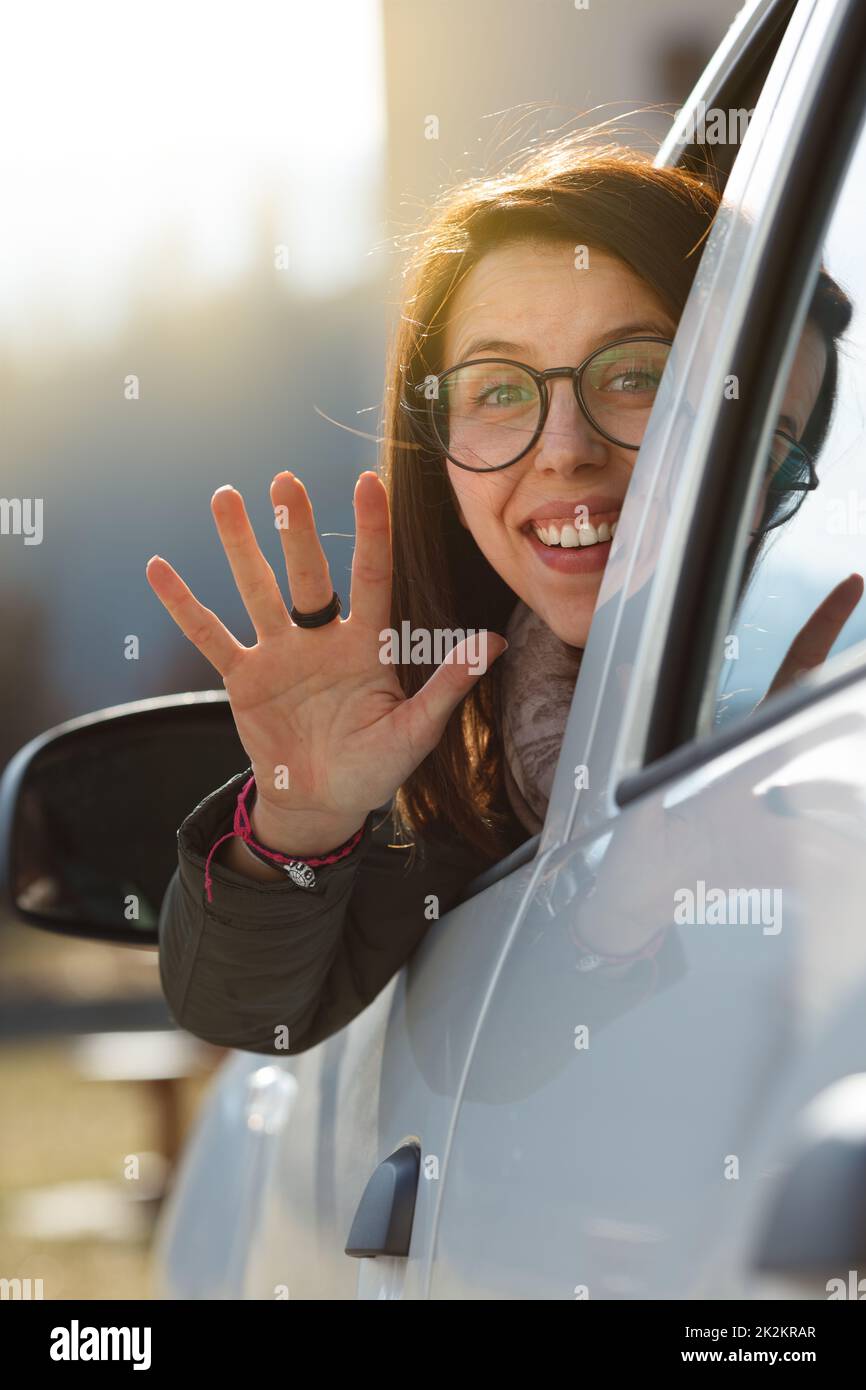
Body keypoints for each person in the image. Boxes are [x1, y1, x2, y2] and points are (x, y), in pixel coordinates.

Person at [146, 135, 858, 1055]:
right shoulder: (447, 775)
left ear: (761, 472)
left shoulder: (803, 763)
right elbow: (249, 1016)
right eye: (497, 391)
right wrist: (302, 818)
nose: (564, 449)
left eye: (638, 376)